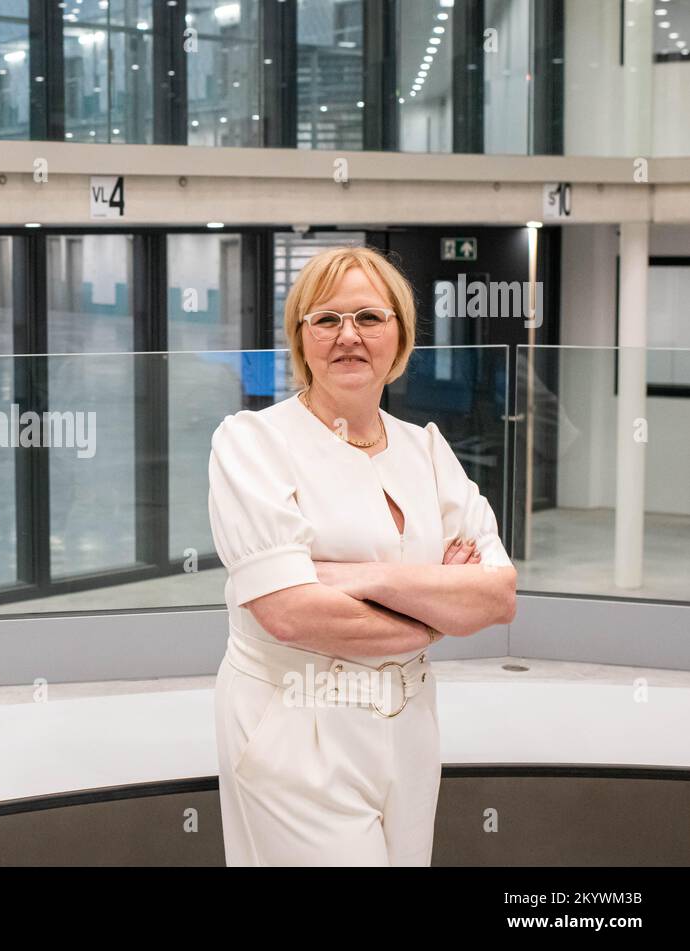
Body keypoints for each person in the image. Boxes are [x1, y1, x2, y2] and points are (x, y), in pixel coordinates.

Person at [208, 246, 517, 866]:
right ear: (301, 338)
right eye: (326, 320)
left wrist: (361, 577)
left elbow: (498, 596)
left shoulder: (425, 449)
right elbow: (290, 614)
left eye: (369, 318)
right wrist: (435, 603)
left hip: (410, 723)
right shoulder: (252, 443)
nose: (348, 336)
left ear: (398, 335)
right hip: (297, 726)